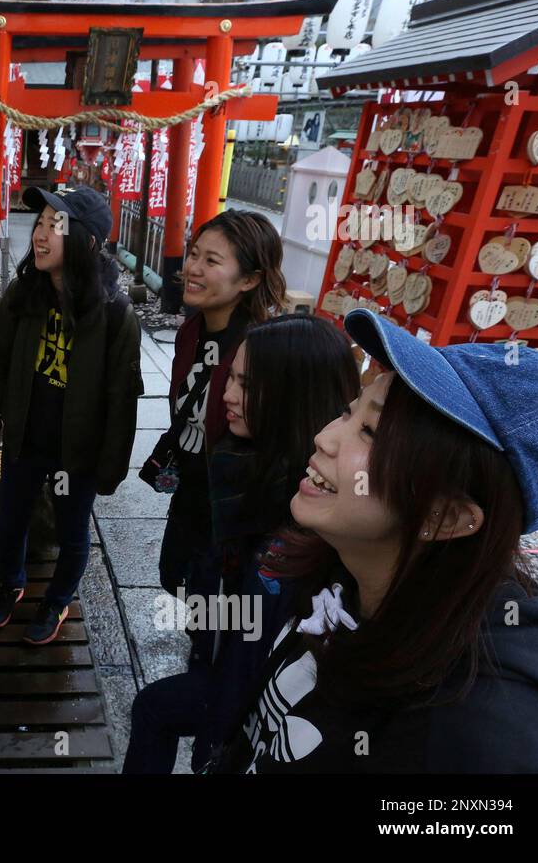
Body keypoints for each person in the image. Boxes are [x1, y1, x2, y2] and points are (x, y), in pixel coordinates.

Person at [209, 308, 538, 773]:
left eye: (371, 432)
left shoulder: (479, 731)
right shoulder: (343, 572)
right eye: (348, 413)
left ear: (449, 516)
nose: (324, 438)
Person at [123, 314, 360, 773]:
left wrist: (219, 740)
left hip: (245, 691)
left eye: (246, 385)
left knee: (155, 707)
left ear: (297, 396)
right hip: (217, 650)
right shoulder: (241, 462)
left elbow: (258, 651)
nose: (228, 396)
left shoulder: (308, 513)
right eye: (229, 377)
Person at [0, 185, 144, 645]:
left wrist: (111, 466)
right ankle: (12, 582)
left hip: (79, 449)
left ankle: (58, 597)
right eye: (41, 223)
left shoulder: (114, 310)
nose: (41, 235)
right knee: (10, 520)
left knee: (73, 531)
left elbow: (122, 398)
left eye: (56, 225)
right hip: (28, 434)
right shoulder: (22, 293)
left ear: (87, 242)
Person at [145, 211, 286, 599]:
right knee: (177, 581)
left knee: (216, 605)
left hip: (230, 508)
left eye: (211, 261)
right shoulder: (193, 329)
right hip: (189, 494)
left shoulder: (260, 350)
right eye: (194, 254)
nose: (193, 268)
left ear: (250, 279)